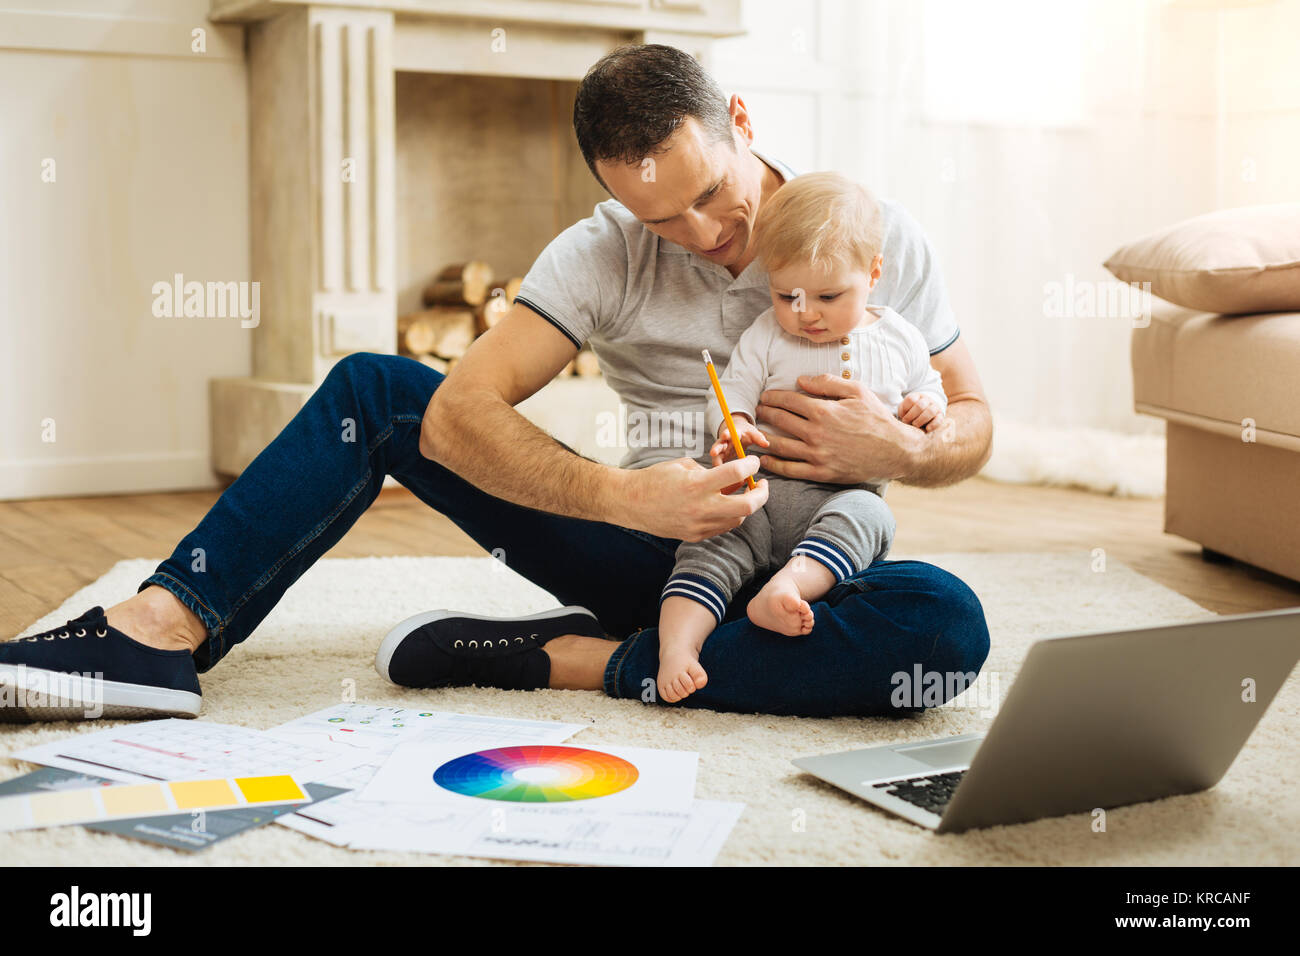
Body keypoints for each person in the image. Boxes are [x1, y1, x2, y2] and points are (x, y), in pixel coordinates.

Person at [0, 44, 992, 722]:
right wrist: (620, 495)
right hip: (665, 554)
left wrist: (908, 447)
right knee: (374, 391)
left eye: (709, 196)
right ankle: (155, 633)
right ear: (611, 195)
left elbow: (977, 419)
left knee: (944, 627)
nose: (702, 238)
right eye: (659, 220)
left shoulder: (866, 233)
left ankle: (573, 661)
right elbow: (456, 416)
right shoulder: (599, 253)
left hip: (815, 565)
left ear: (738, 120)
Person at [656, 171, 948, 702]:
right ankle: (676, 646)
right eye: (786, 294)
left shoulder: (900, 339)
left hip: (840, 502)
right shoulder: (767, 332)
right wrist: (734, 424)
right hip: (759, 500)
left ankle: (790, 585)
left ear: (874, 273)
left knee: (872, 516)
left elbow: (930, 389)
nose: (804, 312)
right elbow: (735, 388)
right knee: (705, 547)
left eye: (828, 295)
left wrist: (927, 407)